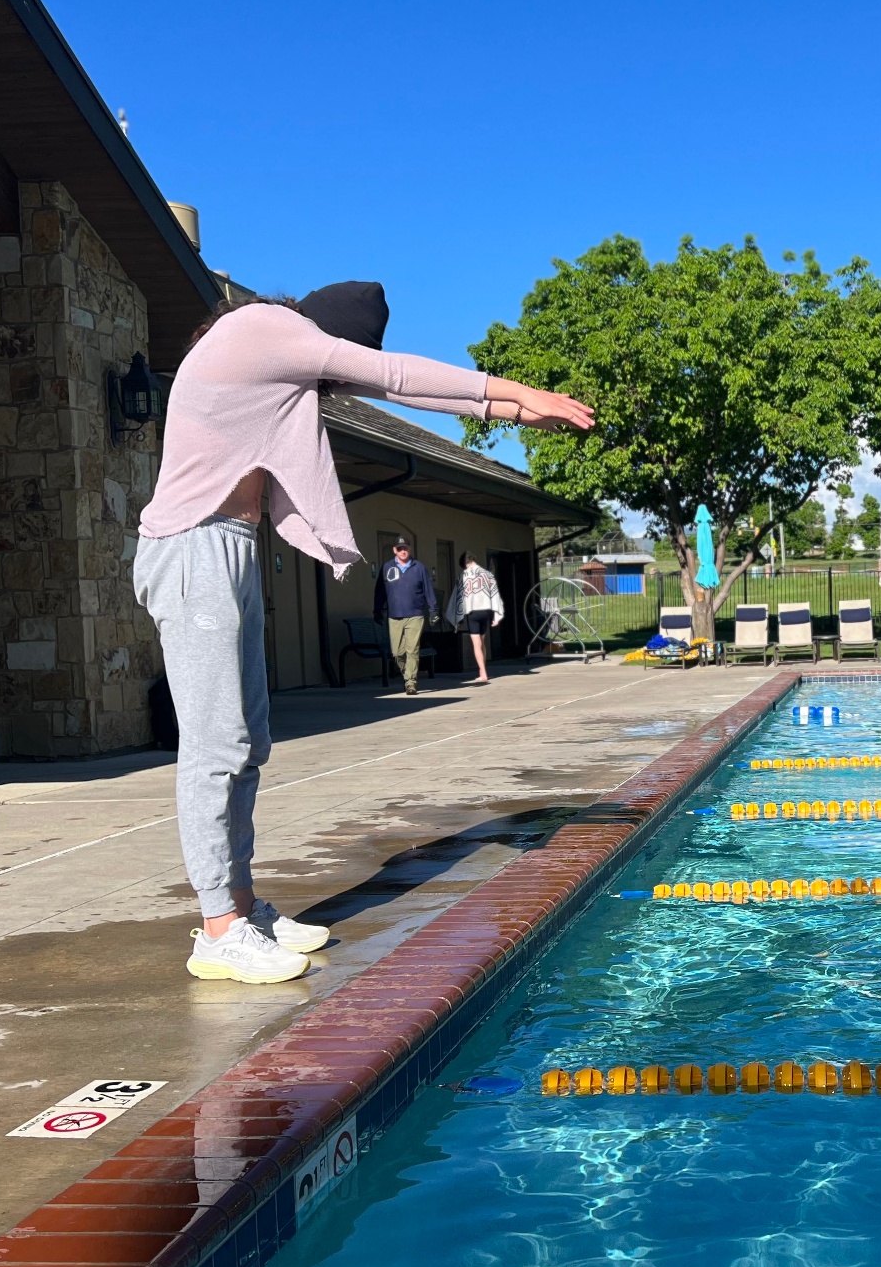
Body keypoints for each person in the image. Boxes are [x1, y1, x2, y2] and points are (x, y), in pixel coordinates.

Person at [134, 282, 592, 984]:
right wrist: (518, 391)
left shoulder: (276, 352)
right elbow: (398, 376)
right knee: (215, 744)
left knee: (247, 739)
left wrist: (510, 412)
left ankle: (243, 905)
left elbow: (405, 393)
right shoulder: (264, 328)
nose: (337, 380)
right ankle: (217, 929)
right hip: (194, 549)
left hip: (229, 546)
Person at [373, 535, 437, 693]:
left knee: (412, 649)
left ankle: (410, 682)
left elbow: (428, 590)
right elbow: (380, 591)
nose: (403, 551)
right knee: (397, 652)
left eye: (405, 548)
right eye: (399, 548)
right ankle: (407, 674)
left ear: (410, 549)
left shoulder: (419, 567)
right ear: (395, 550)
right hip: (394, 616)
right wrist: (377, 610)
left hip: (415, 614)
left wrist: (433, 610)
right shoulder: (387, 568)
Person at [445, 551, 504, 683]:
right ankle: (484, 669)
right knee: (482, 642)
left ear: (464, 564)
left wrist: (457, 618)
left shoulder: (463, 576)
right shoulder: (487, 574)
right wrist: (496, 615)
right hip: (486, 611)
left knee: (476, 644)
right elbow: (494, 594)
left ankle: (482, 673)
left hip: (472, 612)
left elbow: (458, 597)